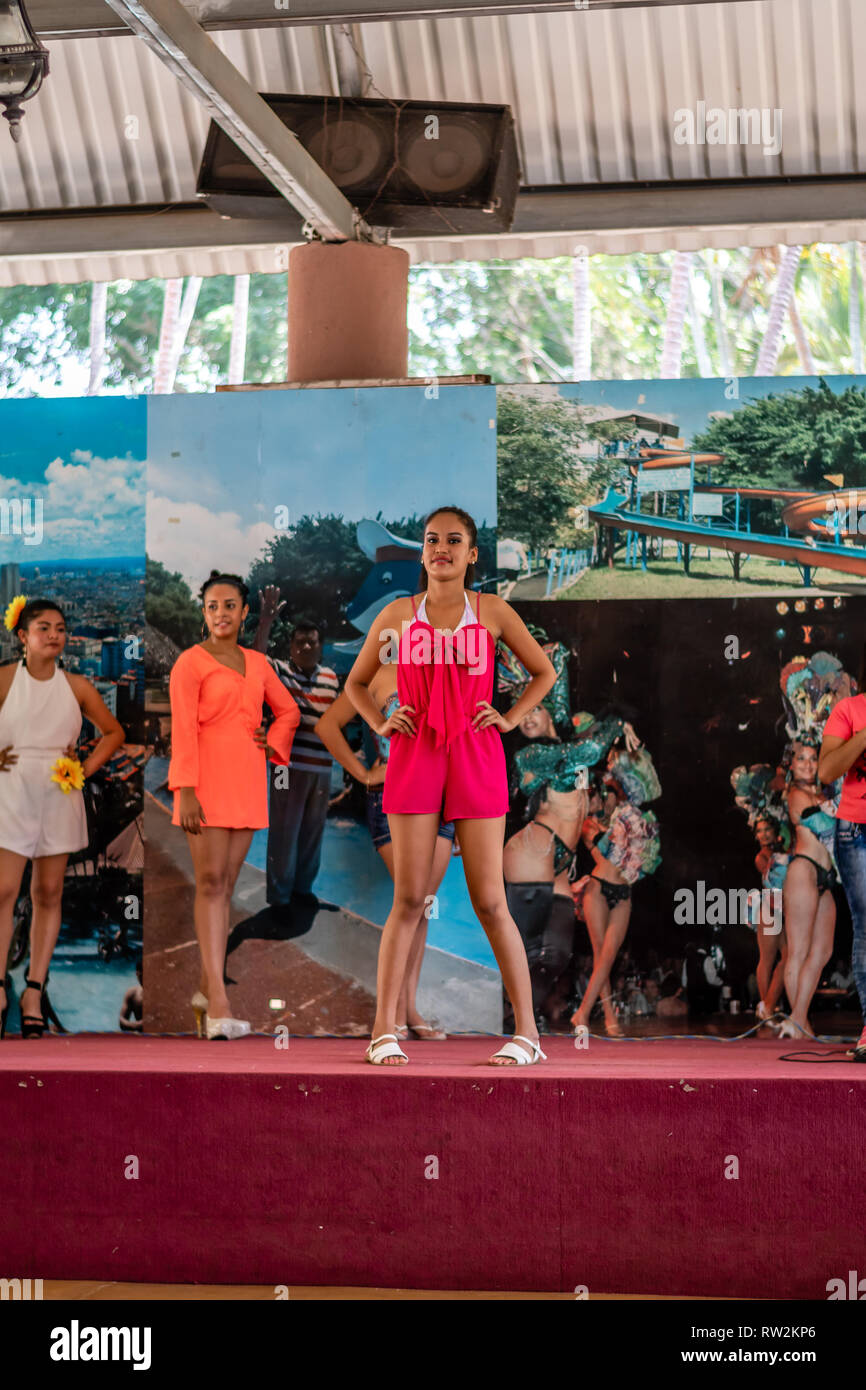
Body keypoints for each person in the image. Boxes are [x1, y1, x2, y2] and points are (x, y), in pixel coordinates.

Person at [344, 504, 556, 1066]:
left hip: (475, 753)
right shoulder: (396, 613)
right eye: (432, 540)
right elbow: (357, 684)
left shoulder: (492, 611)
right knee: (409, 898)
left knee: (490, 900)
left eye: (453, 540)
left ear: (471, 553)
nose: (441, 548)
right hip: (415, 755)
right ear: (423, 551)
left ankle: (528, 1035)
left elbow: (544, 672)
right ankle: (382, 1031)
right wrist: (381, 721)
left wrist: (508, 719)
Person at [168, 572, 300, 1041]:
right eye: (211, 606)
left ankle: (206, 993)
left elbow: (289, 711)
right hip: (202, 780)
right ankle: (220, 1001)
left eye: (229, 605)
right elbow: (183, 729)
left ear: (245, 612)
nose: (220, 614)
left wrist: (274, 738)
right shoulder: (189, 663)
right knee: (208, 883)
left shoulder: (259, 664)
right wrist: (184, 788)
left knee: (224, 886)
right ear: (203, 612)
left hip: (245, 778)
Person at [0, 598, 125, 1039]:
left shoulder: (77, 686)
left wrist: (84, 770)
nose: (54, 634)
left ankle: (33, 988)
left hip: (58, 791)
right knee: (3, 890)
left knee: (49, 891)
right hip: (11, 790)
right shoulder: (4, 679)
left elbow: (115, 732)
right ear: (23, 636)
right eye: (43, 627)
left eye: (60, 627)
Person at [314, 666, 450, 1040]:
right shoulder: (376, 677)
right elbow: (327, 725)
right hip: (396, 796)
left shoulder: (447, 671)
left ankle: (409, 1010)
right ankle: (390, 1018)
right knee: (411, 902)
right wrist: (363, 774)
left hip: (441, 798)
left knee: (424, 905)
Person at [252, 592, 339, 917]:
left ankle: (303, 889)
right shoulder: (279, 672)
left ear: (320, 646)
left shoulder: (331, 678)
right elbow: (254, 660)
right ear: (290, 647)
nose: (305, 647)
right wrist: (266, 620)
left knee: (313, 831)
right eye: (300, 642)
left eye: (312, 642)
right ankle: (279, 896)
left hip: (321, 769)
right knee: (284, 833)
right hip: (287, 767)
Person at [779, 739, 837, 1039]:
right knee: (798, 951)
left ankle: (798, 1018)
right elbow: (826, 825)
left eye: (813, 758)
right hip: (803, 869)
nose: (808, 764)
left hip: (825, 877)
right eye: (801, 758)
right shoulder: (796, 794)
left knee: (823, 951)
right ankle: (799, 1021)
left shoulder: (824, 792)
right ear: (791, 763)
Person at [820, 680, 866, 1059]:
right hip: (856, 830)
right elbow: (827, 770)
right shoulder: (848, 710)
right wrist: (863, 736)